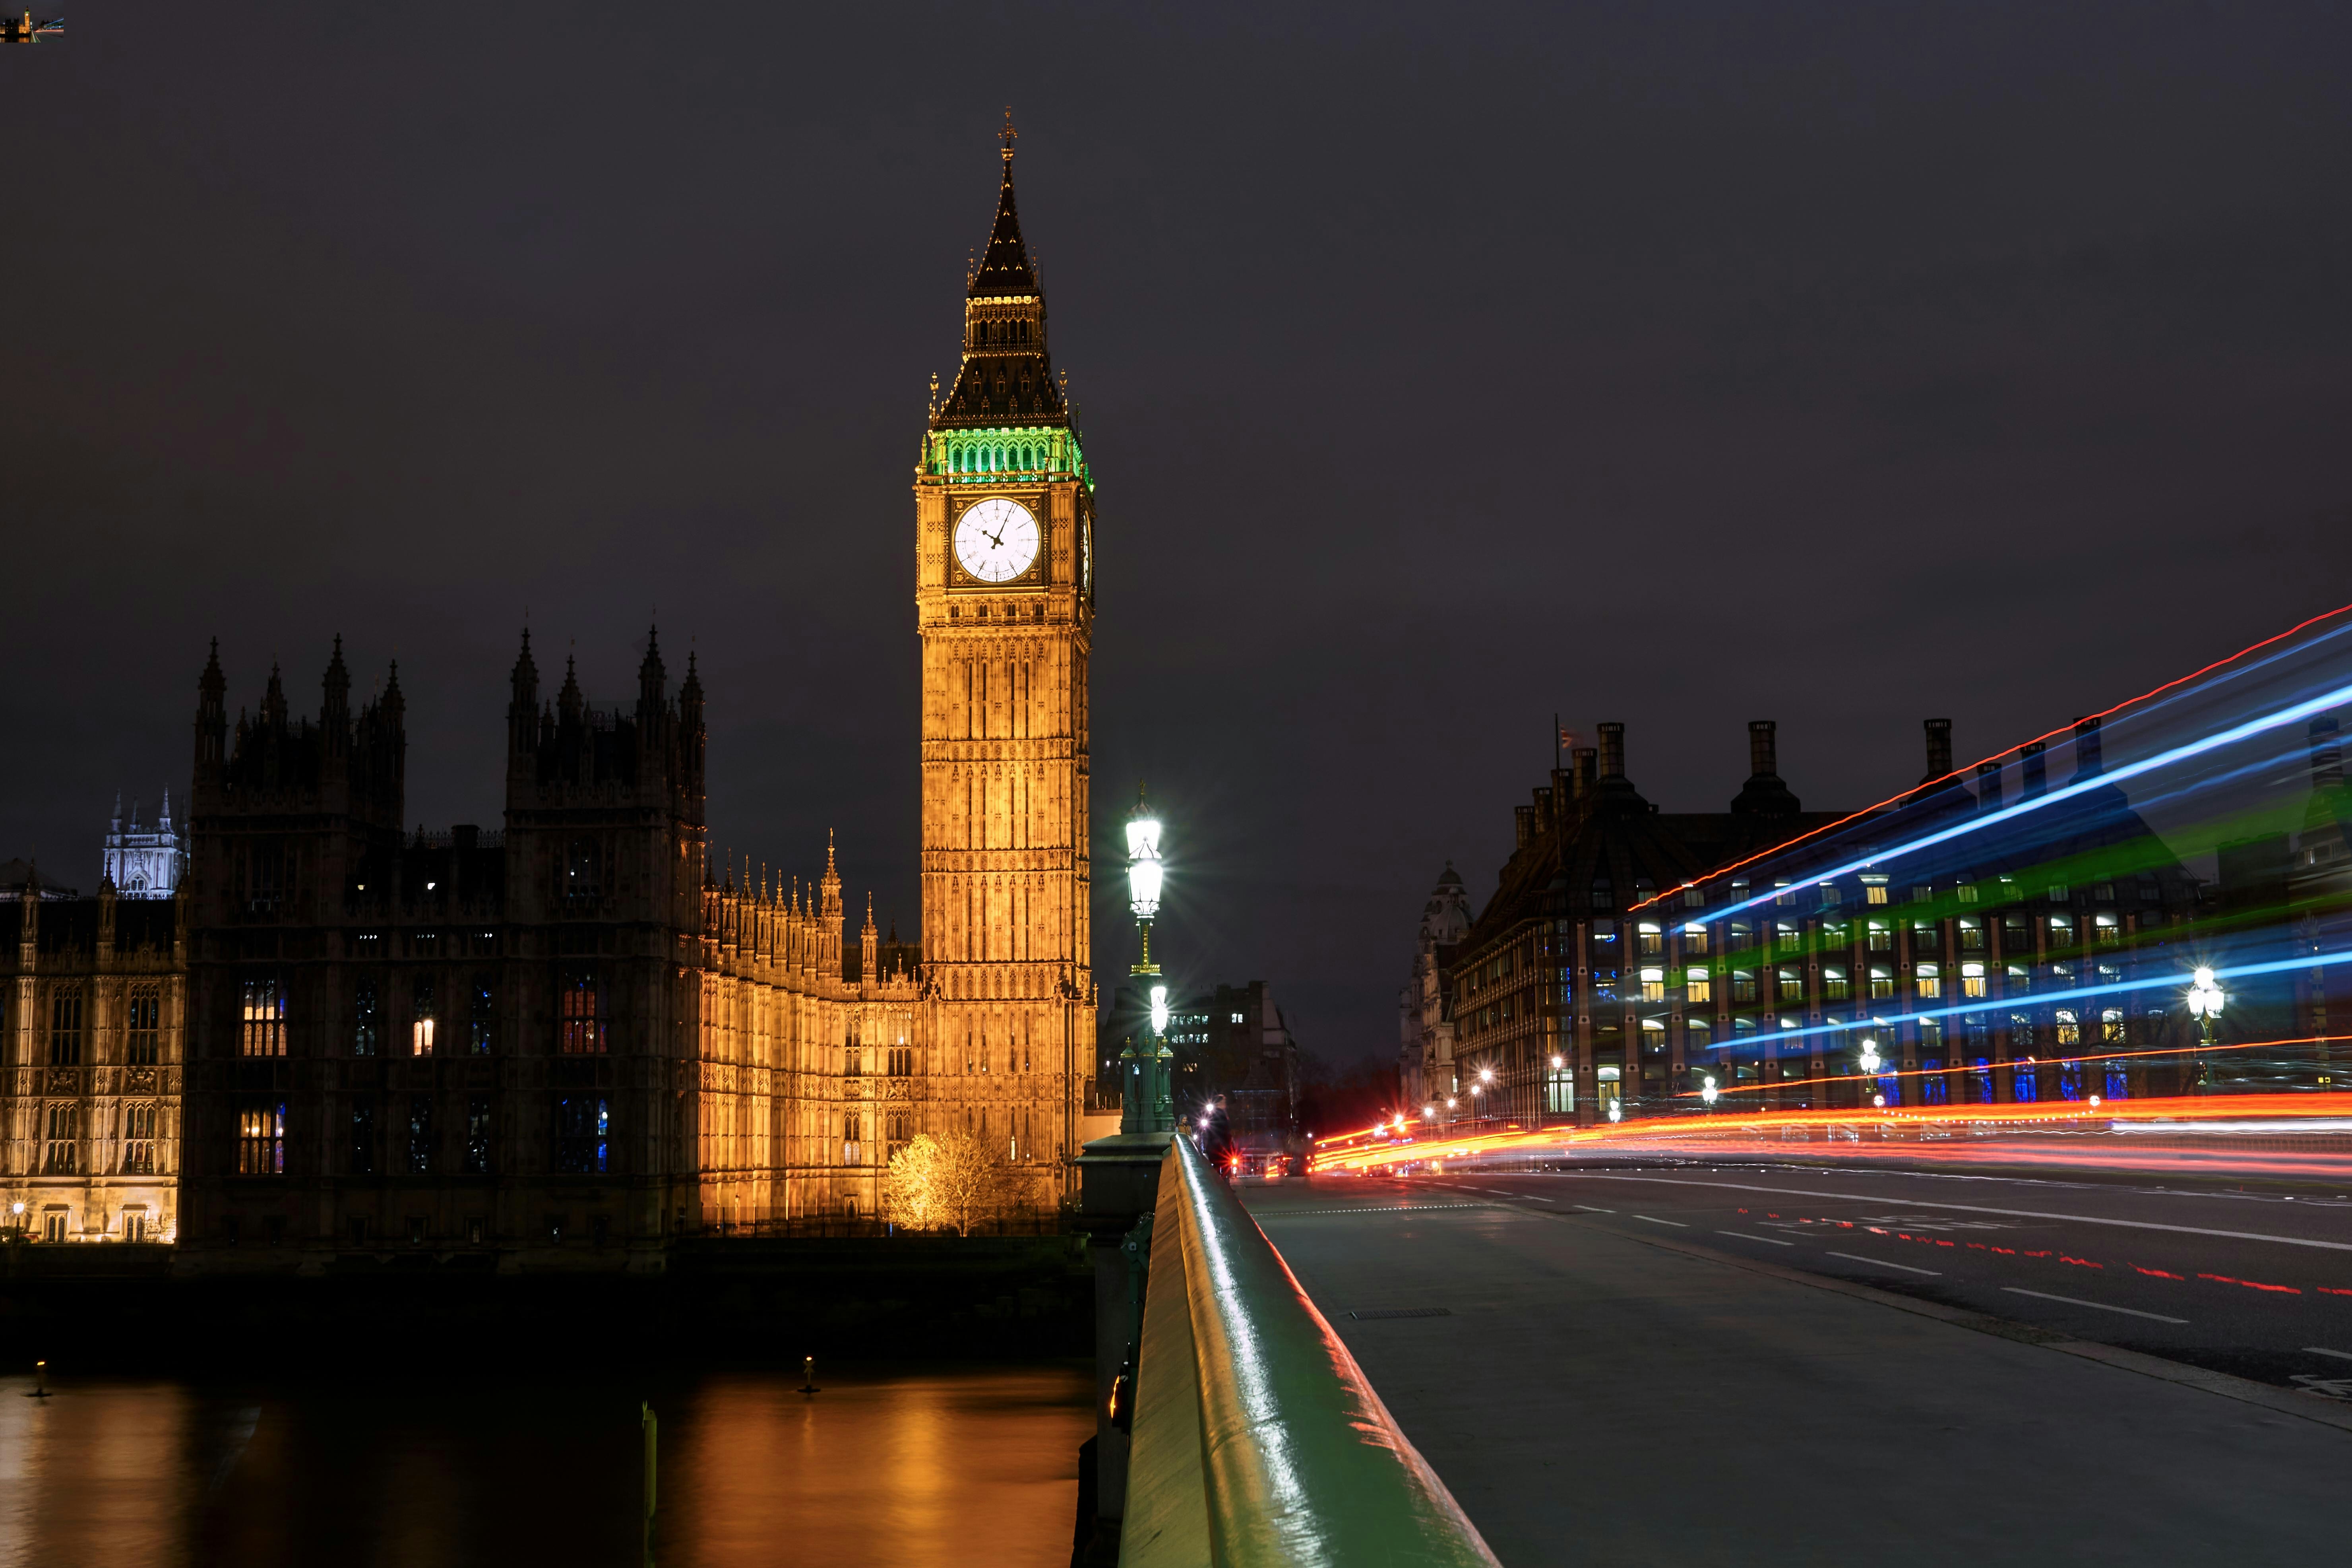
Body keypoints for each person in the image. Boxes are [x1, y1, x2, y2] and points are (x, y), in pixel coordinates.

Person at [1200, 1093, 1234, 1182]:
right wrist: (1227, 1142)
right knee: (1224, 1166)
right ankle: (1224, 1186)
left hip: (1215, 1145)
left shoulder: (1214, 1114)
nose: (1225, 1103)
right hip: (1220, 1146)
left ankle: (1221, 1185)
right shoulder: (1220, 1114)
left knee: (1218, 1167)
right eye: (1224, 1101)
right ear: (1219, 1103)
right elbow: (1223, 1130)